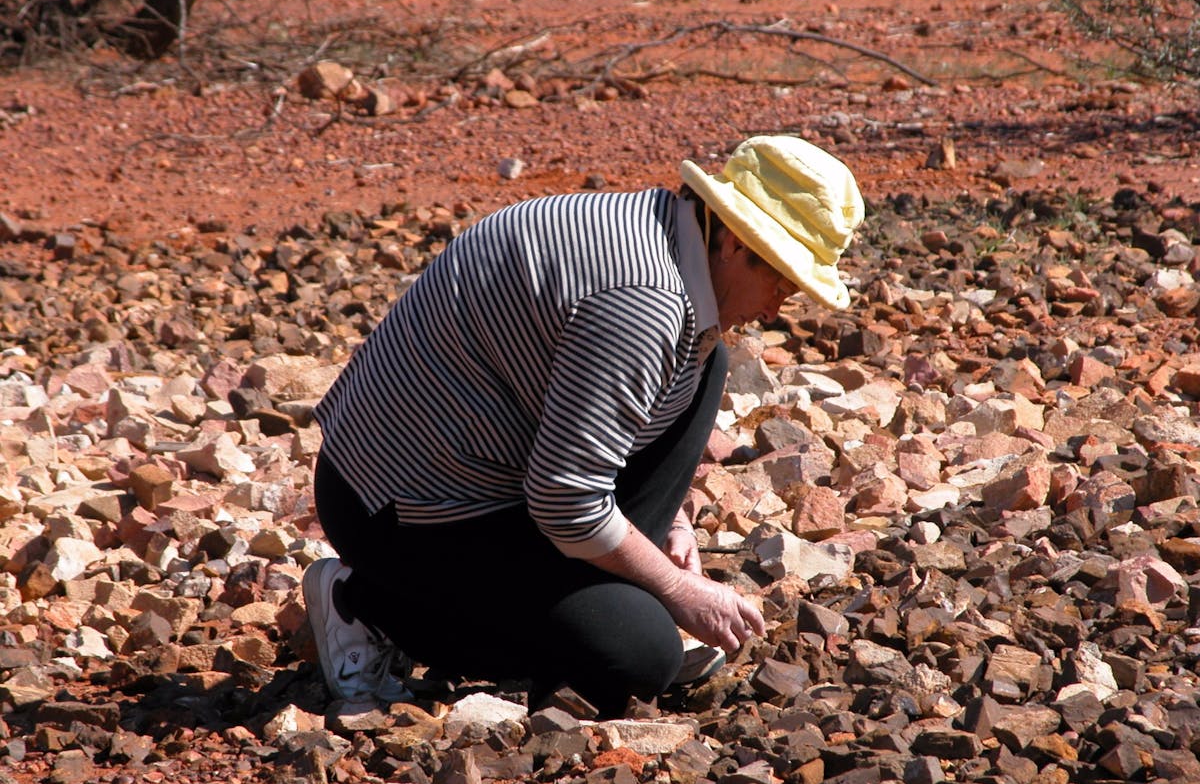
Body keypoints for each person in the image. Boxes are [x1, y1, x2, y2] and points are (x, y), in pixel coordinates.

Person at [302, 135, 865, 717]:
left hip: (469, 469)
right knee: (636, 655)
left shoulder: (664, 231)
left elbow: (601, 425)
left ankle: (592, 599)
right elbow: (565, 500)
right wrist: (676, 591)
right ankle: (364, 601)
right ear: (735, 240)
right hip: (397, 513)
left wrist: (669, 525)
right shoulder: (643, 302)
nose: (775, 310)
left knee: (707, 360)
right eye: (781, 283)